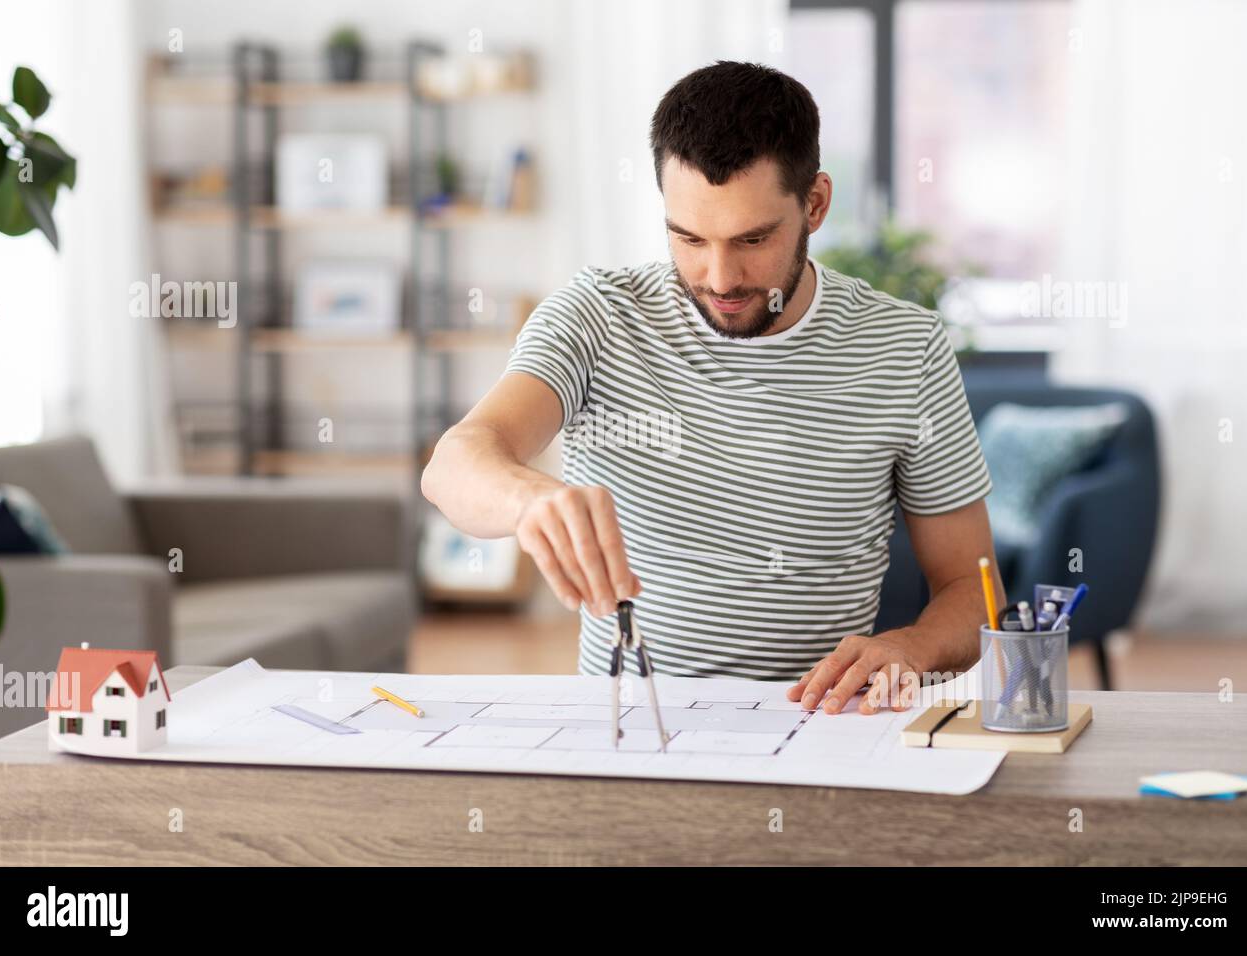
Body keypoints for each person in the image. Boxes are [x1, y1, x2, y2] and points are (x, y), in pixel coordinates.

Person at [422, 61, 1004, 716]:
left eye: (753, 239)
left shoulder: (906, 348)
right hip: (629, 730)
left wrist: (913, 647)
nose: (720, 278)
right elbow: (456, 462)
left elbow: (973, 590)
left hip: (824, 730)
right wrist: (529, 501)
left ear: (814, 203)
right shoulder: (597, 315)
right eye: (689, 238)